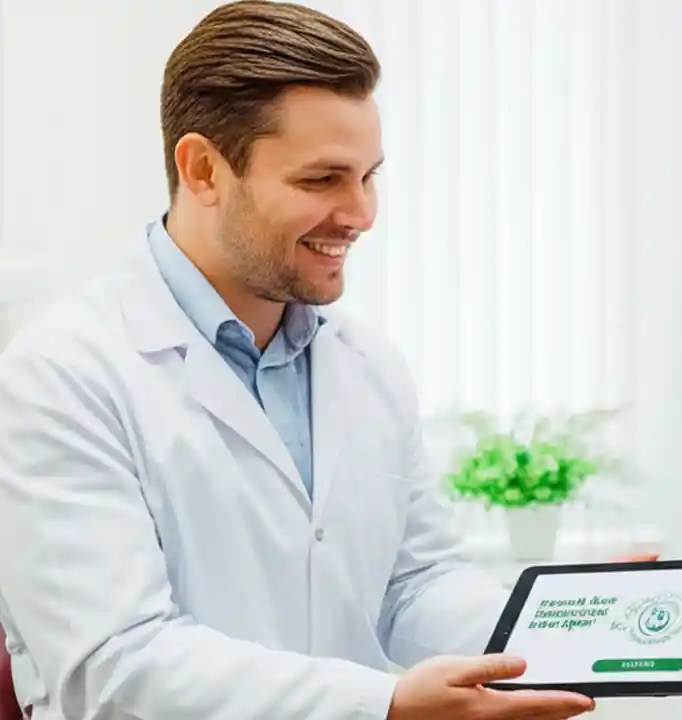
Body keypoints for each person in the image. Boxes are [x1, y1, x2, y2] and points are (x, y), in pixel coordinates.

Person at [0, 2, 642, 718]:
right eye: (322, 180)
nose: (362, 212)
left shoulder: (365, 362)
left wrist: (555, 633)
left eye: (369, 176)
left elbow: (414, 582)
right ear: (203, 169)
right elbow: (116, 666)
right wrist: (385, 704)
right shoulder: (60, 377)